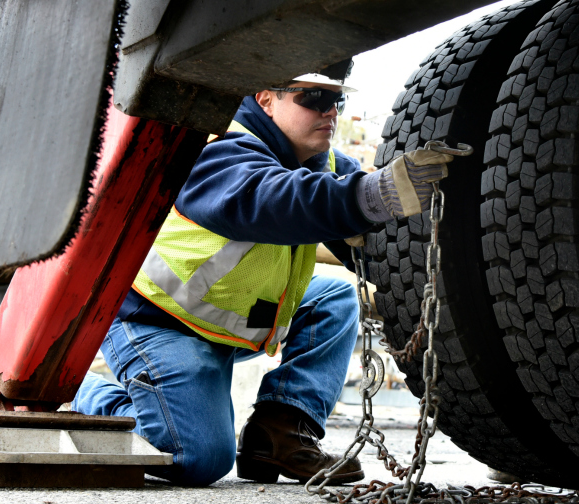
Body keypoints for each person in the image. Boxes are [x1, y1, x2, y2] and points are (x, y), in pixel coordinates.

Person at [72, 60, 457, 487]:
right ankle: (81, 396)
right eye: (313, 98)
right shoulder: (221, 149)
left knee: (334, 298)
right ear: (265, 99)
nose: (330, 110)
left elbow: (368, 230)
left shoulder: (319, 160)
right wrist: (366, 196)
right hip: (156, 323)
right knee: (194, 457)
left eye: (337, 99)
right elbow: (270, 199)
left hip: (234, 319)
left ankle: (279, 432)